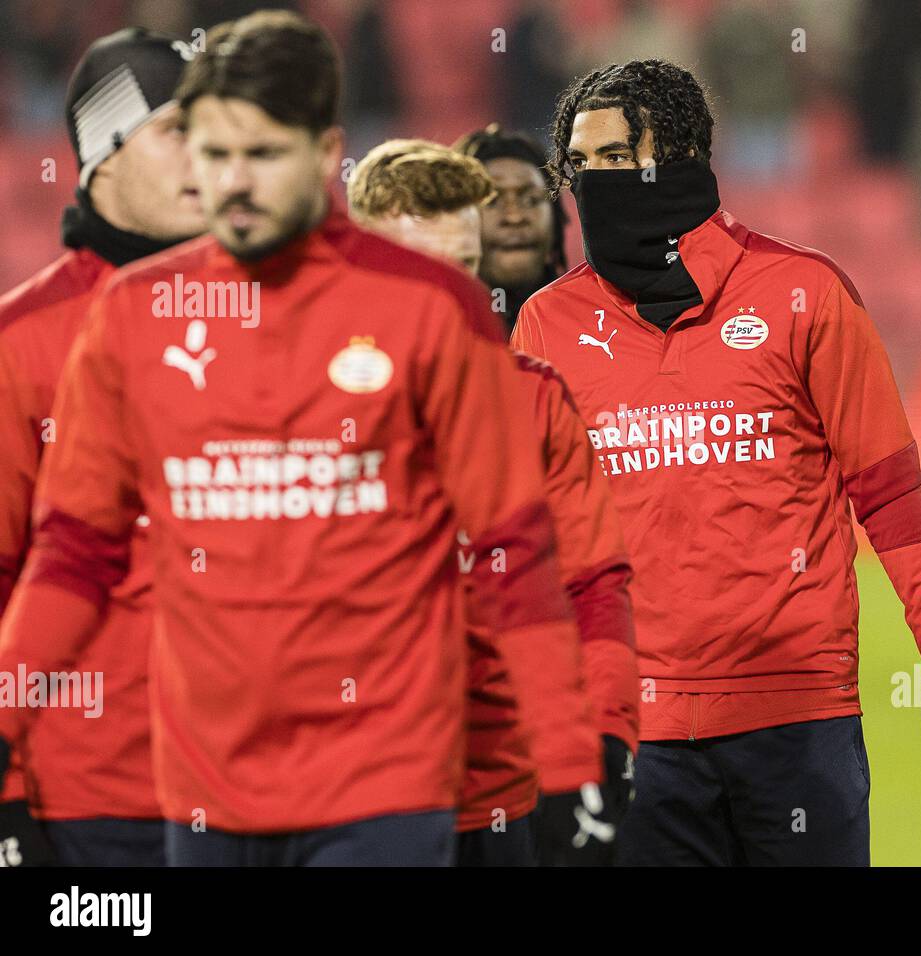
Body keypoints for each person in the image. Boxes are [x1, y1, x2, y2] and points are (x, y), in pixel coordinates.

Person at [0, 10, 602, 867]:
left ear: (325, 157)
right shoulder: (130, 318)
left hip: (382, 785)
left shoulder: (430, 306)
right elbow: (72, 551)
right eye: (212, 154)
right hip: (201, 796)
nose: (233, 183)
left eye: (263, 154)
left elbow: (511, 546)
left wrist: (569, 756)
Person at [512, 60, 921, 866]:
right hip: (637, 731)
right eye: (579, 165)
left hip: (798, 719)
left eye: (612, 158)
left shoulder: (803, 292)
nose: (589, 183)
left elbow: (889, 494)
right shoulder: (546, 323)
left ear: (673, 155)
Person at [348, 138, 639, 866]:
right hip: (347, 797)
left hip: (504, 798)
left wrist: (603, 737)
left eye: (469, 271)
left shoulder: (533, 399)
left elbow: (593, 581)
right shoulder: (290, 405)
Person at [0, 28, 205, 867]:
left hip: (265, 791)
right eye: (177, 132)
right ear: (103, 157)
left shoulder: (282, 317)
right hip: (93, 801)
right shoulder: (22, 343)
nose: (211, 157)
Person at [454, 124, 568, 335]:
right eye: (491, 201)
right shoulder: (427, 331)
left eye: (531, 199)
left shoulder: (592, 321)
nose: (514, 217)